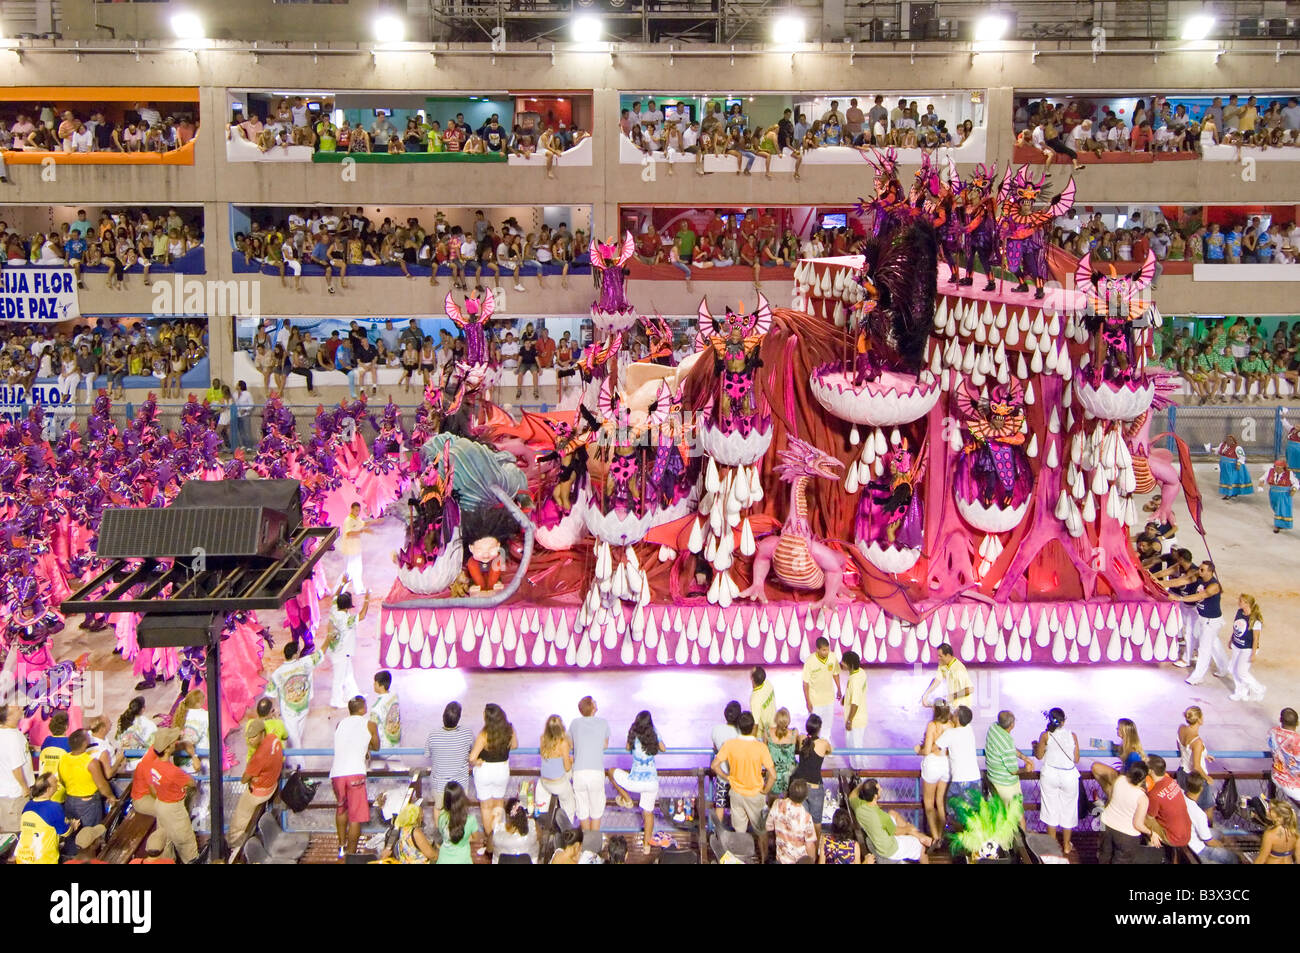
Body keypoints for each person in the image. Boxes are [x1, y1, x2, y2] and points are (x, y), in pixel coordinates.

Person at [712, 711, 776, 856]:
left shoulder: (730, 745)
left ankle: (741, 859)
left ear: (739, 727)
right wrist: (765, 790)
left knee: (739, 832)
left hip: (737, 793)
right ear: (753, 727)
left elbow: (714, 765)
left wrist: (727, 777)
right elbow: (773, 775)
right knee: (761, 831)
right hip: (755, 794)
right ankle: (763, 859)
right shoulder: (761, 748)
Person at [609, 710, 665, 855]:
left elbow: (628, 748)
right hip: (651, 782)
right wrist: (656, 736)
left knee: (611, 771)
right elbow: (663, 748)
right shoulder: (653, 734)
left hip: (634, 781)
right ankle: (647, 846)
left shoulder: (633, 734)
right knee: (648, 813)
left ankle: (626, 798)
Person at [329, 696, 379, 858]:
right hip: (355, 773)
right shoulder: (370, 724)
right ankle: (351, 855)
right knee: (355, 817)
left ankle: (341, 847)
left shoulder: (340, 724)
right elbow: (376, 746)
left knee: (341, 809)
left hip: (337, 774)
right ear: (363, 709)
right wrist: (367, 746)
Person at [1170, 561, 1231, 688]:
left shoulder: (1214, 586)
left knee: (1204, 648)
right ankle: (1224, 667)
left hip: (1211, 621)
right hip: (1202, 618)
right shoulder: (1200, 578)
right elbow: (1183, 581)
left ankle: (1198, 676)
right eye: (1199, 569)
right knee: (1213, 643)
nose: (1199, 571)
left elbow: (1200, 595)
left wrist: (1180, 599)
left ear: (1210, 571)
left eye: (1202, 570)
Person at [228, 718, 284, 852]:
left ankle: (234, 847)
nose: (250, 740)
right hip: (272, 785)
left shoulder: (258, 757)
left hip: (258, 793)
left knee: (239, 821)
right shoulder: (273, 738)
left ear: (262, 733)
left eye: (254, 737)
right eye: (249, 737)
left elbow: (244, 779)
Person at [146, 727, 200, 863]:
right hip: (174, 810)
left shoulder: (153, 764)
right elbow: (192, 783)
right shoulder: (173, 771)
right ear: (168, 748)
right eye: (173, 743)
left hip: (160, 804)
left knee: (166, 842)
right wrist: (193, 755)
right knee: (187, 845)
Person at [850, 777, 932, 862]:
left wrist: (862, 786)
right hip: (890, 848)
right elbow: (895, 832)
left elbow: (852, 796)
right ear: (875, 796)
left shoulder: (859, 806)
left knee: (892, 813)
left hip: (877, 836)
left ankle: (921, 837)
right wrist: (909, 829)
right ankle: (922, 838)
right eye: (879, 788)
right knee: (922, 849)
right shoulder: (881, 816)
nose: (881, 789)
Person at [1034, 707, 1079, 855]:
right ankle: (1066, 845)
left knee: (1050, 810)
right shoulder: (1073, 735)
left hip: (1050, 775)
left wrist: (1037, 747)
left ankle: (1052, 846)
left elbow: (1039, 756)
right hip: (1069, 777)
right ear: (1063, 721)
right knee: (1069, 809)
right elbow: (1076, 759)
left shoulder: (1045, 735)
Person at [468, 703, 517, 833]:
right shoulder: (509, 730)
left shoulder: (484, 735)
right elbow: (515, 745)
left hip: (485, 771)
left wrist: (477, 762)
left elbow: (472, 757)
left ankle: (489, 839)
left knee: (485, 807)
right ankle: (498, 835)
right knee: (498, 803)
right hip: (501, 770)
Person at [268, 640, 323, 753]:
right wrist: (328, 638)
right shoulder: (305, 663)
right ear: (295, 654)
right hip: (303, 706)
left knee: (294, 738)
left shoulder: (277, 673)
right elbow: (320, 653)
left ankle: (295, 764)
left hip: (288, 710)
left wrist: (273, 710)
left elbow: (271, 693)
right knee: (296, 737)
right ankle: (297, 764)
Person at [1098, 761, 1154, 864]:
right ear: (1143, 778)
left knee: (1104, 856)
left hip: (1106, 824)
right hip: (1126, 836)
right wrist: (1151, 833)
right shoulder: (1142, 798)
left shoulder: (1120, 780)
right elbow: (1138, 824)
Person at [58, 729, 113, 830]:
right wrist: (111, 797)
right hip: (88, 803)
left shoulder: (63, 759)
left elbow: (61, 780)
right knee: (91, 835)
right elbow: (102, 785)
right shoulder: (91, 763)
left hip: (70, 800)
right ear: (84, 744)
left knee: (73, 833)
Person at [14, 774, 75, 864]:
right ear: (48, 789)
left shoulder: (28, 805)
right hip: (44, 860)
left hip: (23, 858)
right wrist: (73, 825)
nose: (58, 786)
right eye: (55, 783)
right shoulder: (53, 807)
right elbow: (65, 832)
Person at [325, 585, 369, 710]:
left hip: (337, 650)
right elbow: (362, 616)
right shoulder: (346, 619)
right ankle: (336, 700)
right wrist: (367, 599)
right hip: (341, 653)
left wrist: (343, 583)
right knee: (339, 678)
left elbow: (335, 596)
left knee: (349, 674)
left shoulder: (334, 609)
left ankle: (354, 695)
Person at [569, 695, 608, 831]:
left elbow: (570, 744)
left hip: (579, 772)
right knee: (596, 811)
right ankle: (594, 845)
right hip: (596, 772)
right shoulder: (603, 723)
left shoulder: (575, 723)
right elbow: (605, 745)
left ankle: (586, 843)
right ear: (592, 708)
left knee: (582, 810)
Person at [914, 701, 951, 844]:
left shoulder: (932, 726)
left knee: (929, 803)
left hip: (933, 764)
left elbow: (928, 750)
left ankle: (935, 837)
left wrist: (918, 750)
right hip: (946, 764)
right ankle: (941, 835)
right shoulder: (951, 725)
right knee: (940, 802)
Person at [984, 710, 1033, 814]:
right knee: (1018, 815)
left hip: (993, 778)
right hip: (1005, 784)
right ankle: (1020, 831)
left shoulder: (993, 728)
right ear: (1012, 725)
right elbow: (1013, 771)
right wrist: (1026, 769)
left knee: (999, 815)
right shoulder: (1008, 743)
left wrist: (1023, 757)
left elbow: (1007, 749)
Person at [789, 714, 832, 830]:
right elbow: (830, 750)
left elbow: (797, 736)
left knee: (802, 820)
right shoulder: (823, 743)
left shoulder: (802, 738)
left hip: (800, 785)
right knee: (816, 822)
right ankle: (816, 846)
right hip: (815, 787)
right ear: (819, 729)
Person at [1183, 775, 1239, 864]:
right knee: (1232, 857)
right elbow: (1209, 842)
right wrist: (1222, 846)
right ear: (1201, 789)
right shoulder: (1199, 814)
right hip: (1198, 848)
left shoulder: (1182, 796)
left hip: (1189, 835)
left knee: (1220, 834)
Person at [1142, 754, 1191, 852]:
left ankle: (1152, 845)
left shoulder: (1154, 794)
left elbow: (1149, 818)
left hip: (1174, 838)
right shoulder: (1171, 781)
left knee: (1140, 817)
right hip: (1186, 833)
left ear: (1150, 771)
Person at [765, 777, 818, 864]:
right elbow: (810, 845)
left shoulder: (777, 804)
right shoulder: (806, 818)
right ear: (805, 797)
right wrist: (812, 860)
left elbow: (769, 827)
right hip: (799, 861)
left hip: (780, 857)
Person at [1175, 706, 1215, 819]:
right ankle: (1207, 832)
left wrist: (1203, 755)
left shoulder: (1181, 728)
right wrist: (1207, 778)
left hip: (1182, 772)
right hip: (1196, 778)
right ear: (1199, 720)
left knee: (1187, 805)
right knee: (1208, 807)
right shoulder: (1197, 741)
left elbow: (1181, 747)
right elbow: (1196, 766)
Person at [936, 705, 981, 804]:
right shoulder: (969, 729)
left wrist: (919, 749)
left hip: (960, 779)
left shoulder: (950, 733)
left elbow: (936, 747)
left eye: (955, 712)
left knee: (954, 813)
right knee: (973, 814)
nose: (952, 713)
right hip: (975, 778)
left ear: (957, 718)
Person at [1090, 716, 1146, 796]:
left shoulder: (1133, 754)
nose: (1116, 729)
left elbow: (1135, 775)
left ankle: (1111, 798)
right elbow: (1117, 748)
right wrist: (1103, 744)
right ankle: (1111, 798)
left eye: (1118, 728)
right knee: (1096, 767)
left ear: (1124, 731)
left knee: (1095, 766)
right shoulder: (1128, 747)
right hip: (1123, 779)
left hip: (1126, 784)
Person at [536, 714, 577, 821]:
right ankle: (568, 828)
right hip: (558, 783)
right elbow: (567, 768)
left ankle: (545, 824)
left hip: (545, 781)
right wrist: (572, 760)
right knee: (569, 805)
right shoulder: (563, 743)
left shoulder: (542, 739)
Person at [1226, 594, 1266, 701]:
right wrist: (1231, 640)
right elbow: (1236, 628)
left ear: (1247, 604)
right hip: (1237, 645)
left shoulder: (1255, 620)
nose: (1239, 602)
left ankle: (1259, 688)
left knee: (1242, 671)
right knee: (1233, 669)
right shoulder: (1239, 612)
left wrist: (1253, 654)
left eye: (1241, 601)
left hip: (1247, 649)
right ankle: (1241, 692)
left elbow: (1256, 638)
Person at [0, 705, 33, 836]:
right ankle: (13, 857)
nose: (21, 708)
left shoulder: (9, 733)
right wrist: (24, 787)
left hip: (8, 791)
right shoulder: (12, 738)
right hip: (16, 793)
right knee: (16, 832)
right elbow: (16, 767)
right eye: (17, 709)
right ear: (9, 717)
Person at [709, 700, 741, 825]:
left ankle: (717, 833)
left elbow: (716, 748)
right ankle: (738, 832)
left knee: (720, 804)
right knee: (737, 807)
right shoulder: (740, 732)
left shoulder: (716, 730)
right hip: (737, 777)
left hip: (722, 775)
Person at [435, 780, 482, 864]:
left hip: (443, 860)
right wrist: (465, 838)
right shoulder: (470, 820)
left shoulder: (441, 816)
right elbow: (476, 838)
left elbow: (442, 832)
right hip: (463, 860)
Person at [801, 637, 841, 731]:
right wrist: (808, 701)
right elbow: (805, 684)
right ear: (817, 649)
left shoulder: (832, 657)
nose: (826, 652)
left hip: (829, 700)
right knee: (815, 729)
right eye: (823, 650)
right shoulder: (810, 661)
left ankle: (825, 743)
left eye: (827, 649)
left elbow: (835, 673)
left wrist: (839, 689)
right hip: (815, 701)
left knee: (827, 727)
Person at [920, 642, 974, 710]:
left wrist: (953, 696)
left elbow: (970, 689)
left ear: (948, 655)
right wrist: (926, 694)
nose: (938, 658)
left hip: (962, 708)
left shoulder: (958, 669)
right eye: (938, 656)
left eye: (940, 656)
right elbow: (937, 680)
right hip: (951, 705)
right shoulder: (942, 664)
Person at [337, 502, 374, 595]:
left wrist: (376, 521)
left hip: (357, 549)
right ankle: (339, 590)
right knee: (349, 571)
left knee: (358, 569)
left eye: (359, 510)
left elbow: (364, 524)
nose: (357, 512)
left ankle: (359, 589)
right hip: (349, 550)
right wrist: (362, 531)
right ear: (352, 509)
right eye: (356, 510)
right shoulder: (348, 520)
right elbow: (349, 533)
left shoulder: (357, 519)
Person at [841, 651, 867, 768]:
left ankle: (858, 770)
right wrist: (845, 698)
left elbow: (855, 703)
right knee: (856, 744)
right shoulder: (860, 672)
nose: (841, 663)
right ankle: (857, 767)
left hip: (855, 720)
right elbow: (853, 694)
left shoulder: (855, 681)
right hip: (861, 716)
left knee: (854, 745)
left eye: (844, 662)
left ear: (850, 664)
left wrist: (850, 720)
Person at [490, 798, 538, 863]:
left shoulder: (497, 833)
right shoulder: (532, 828)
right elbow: (540, 839)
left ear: (507, 815)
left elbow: (489, 849)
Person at [1268, 708, 1300, 804]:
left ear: (1280, 720)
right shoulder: (1297, 740)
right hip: (1292, 784)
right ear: (1297, 723)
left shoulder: (1272, 732)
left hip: (1277, 775)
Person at [765, 708, 799, 800]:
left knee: (772, 804)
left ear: (776, 719)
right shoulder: (794, 733)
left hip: (773, 775)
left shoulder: (768, 732)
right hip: (790, 775)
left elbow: (764, 751)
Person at [1254, 800, 1298, 864]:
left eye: (1270, 810)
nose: (1267, 811)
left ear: (1279, 816)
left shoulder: (1270, 834)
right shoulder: (1294, 833)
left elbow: (1261, 859)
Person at [369, 669, 401, 754]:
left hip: (382, 747)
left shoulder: (376, 707)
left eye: (375, 683)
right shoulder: (394, 696)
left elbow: (372, 729)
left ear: (380, 685)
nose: (373, 685)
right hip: (395, 743)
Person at [1262, 458, 1298, 533]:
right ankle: (1281, 523)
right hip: (1273, 494)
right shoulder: (1271, 471)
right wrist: (1260, 485)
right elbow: (1263, 479)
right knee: (1275, 508)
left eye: (1279, 468)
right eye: (1276, 467)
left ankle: (1277, 525)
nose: (1277, 469)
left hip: (1284, 495)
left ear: (1283, 468)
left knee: (1281, 509)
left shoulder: (1289, 473)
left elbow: (1296, 482)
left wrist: (1294, 489)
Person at [749, 665, 776, 739]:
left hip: (764, 734)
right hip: (774, 724)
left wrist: (752, 742)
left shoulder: (755, 699)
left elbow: (755, 723)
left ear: (752, 679)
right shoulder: (767, 683)